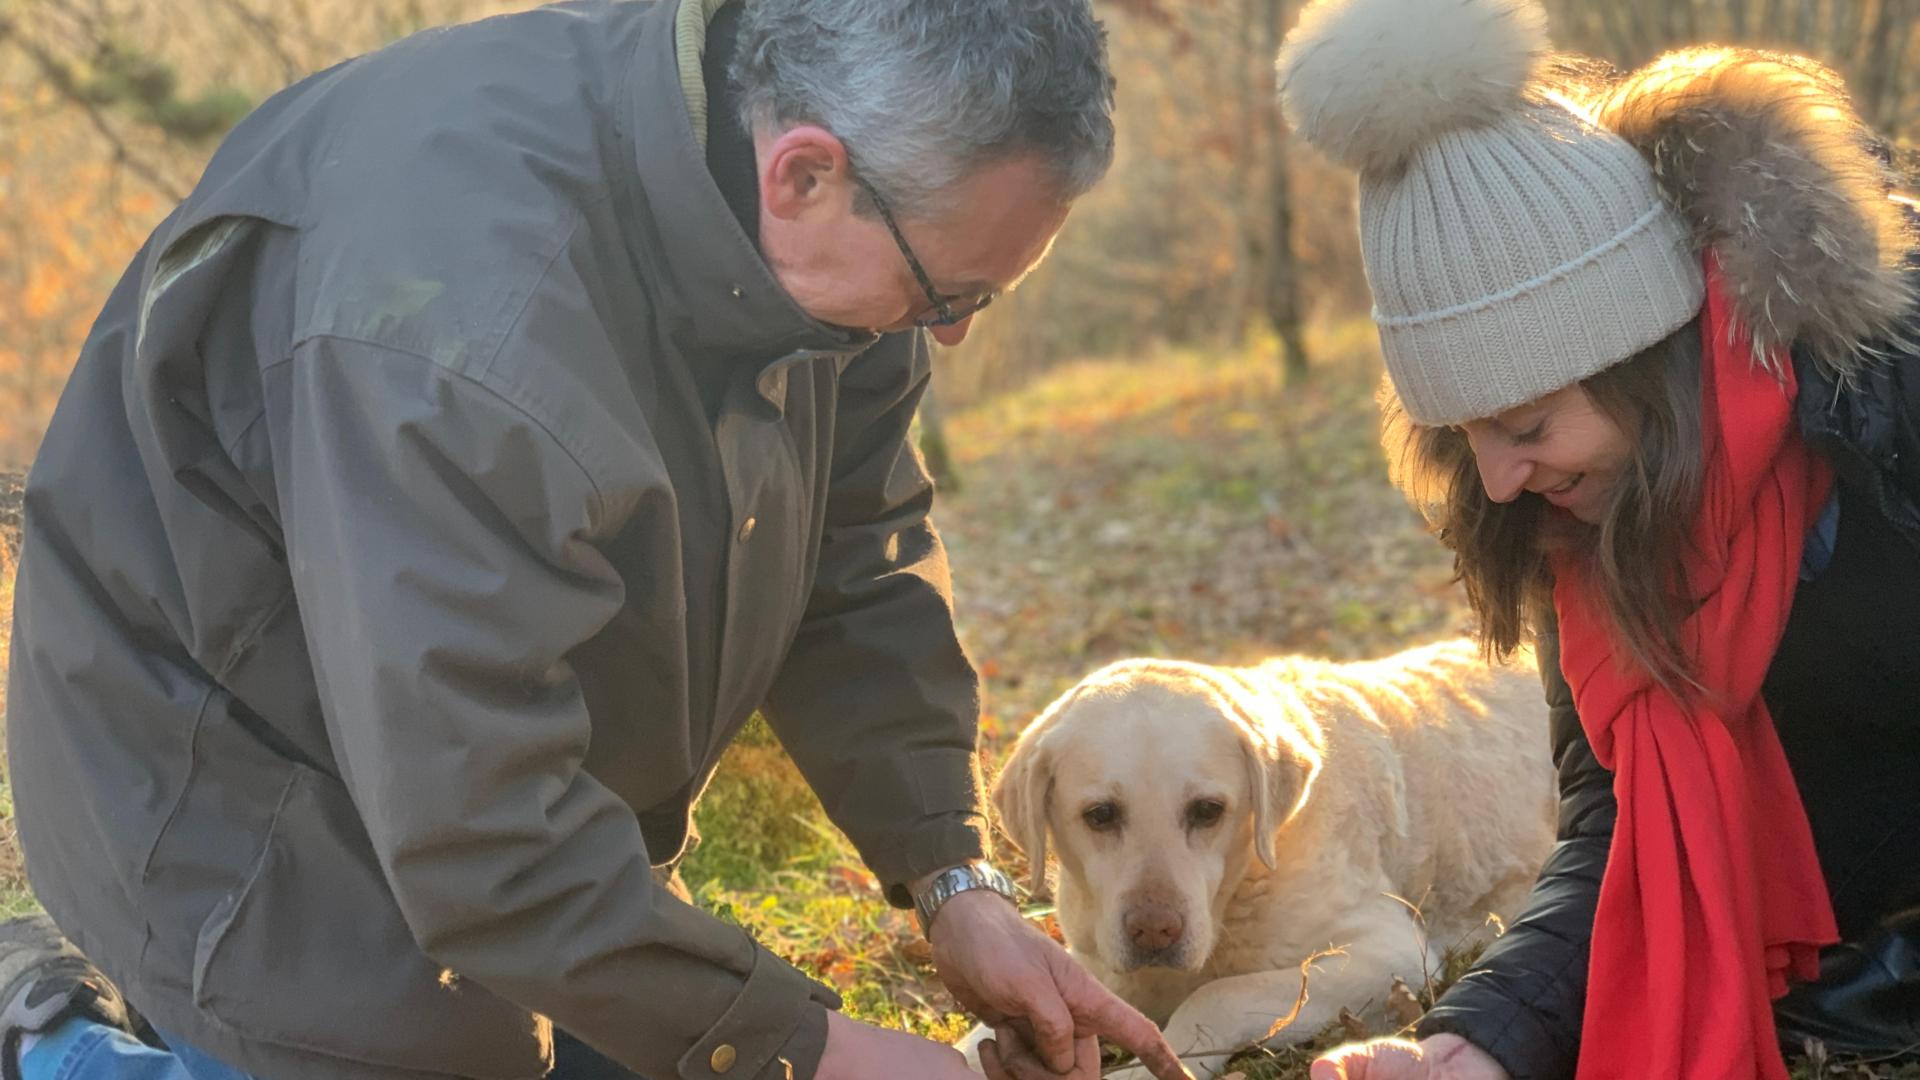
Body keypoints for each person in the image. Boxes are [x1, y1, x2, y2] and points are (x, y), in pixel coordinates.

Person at [0, 2, 1194, 1080]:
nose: (953, 334)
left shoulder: (839, 211)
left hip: (474, 772)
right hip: (218, 772)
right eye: (949, 297)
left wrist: (955, 883)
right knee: (403, 1048)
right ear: (805, 175)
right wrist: (811, 1053)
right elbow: (483, 831)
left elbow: (856, 556)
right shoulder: (465, 338)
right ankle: (53, 1041)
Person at [1274, 0, 1920, 1077]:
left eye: (1526, 426)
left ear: (1646, 370)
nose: (1498, 477)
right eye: (1466, 436)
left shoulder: (1885, 414)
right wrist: (1475, 1042)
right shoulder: (1575, 516)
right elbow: (1617, 830)